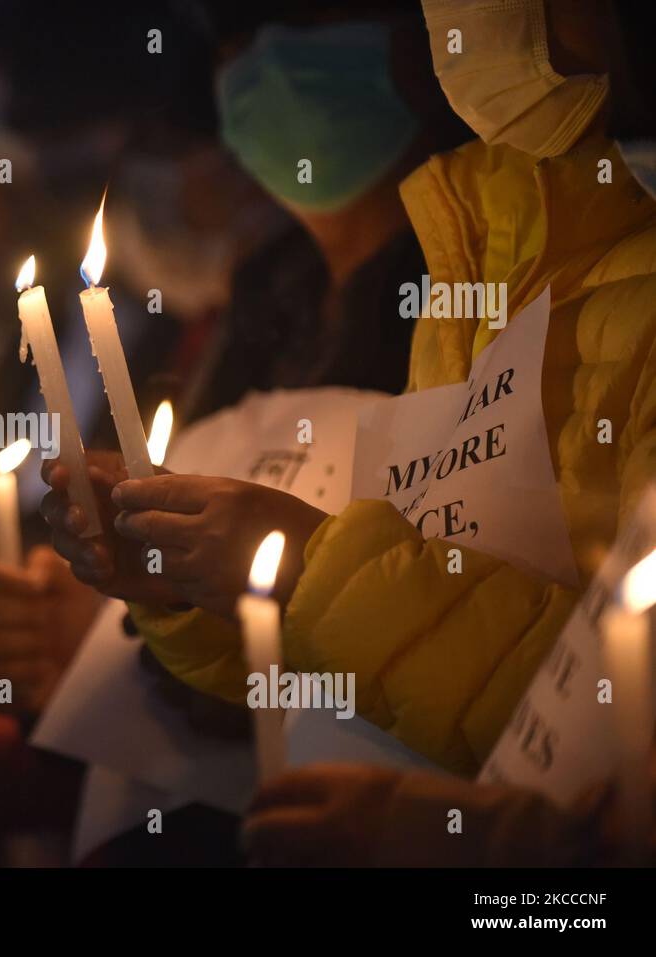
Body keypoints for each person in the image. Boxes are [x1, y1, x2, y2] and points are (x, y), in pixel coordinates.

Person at [42, 0, 656, 784]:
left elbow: (608, 722)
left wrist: (308, 568)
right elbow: (400, 636)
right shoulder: (492, 240)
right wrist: (194, 585)